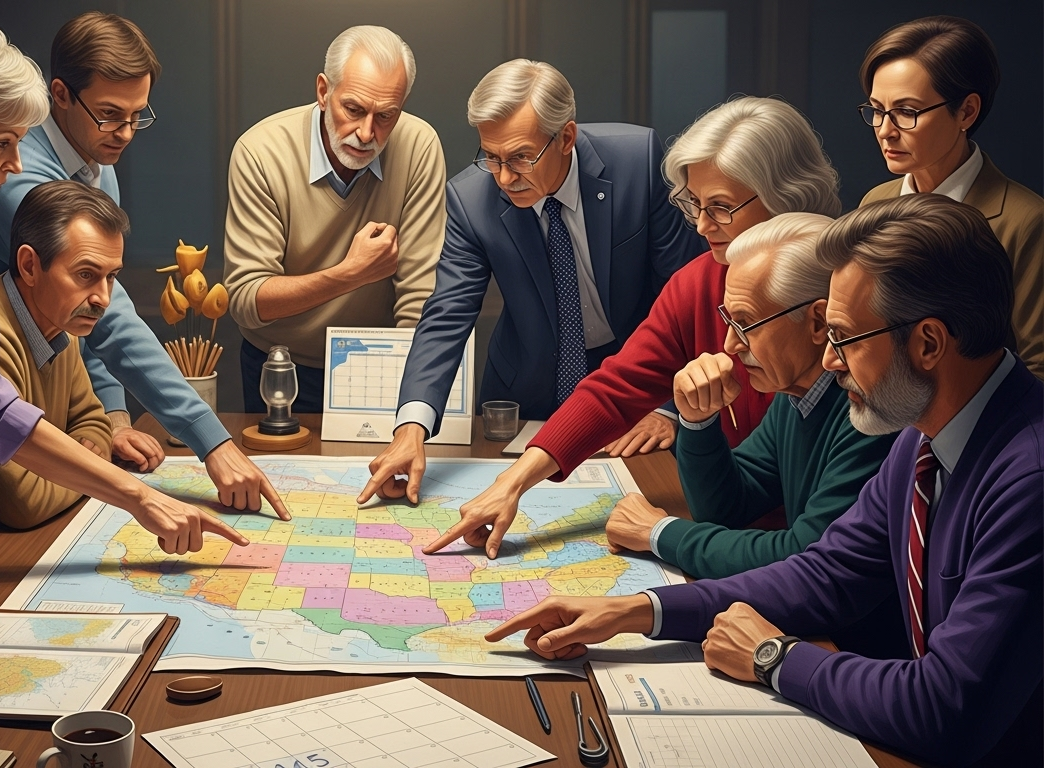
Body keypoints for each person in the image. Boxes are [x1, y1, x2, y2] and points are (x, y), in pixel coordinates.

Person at [486, 195, 1042, 767]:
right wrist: (639, 610)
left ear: (927, 343)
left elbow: (943, 708)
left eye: (846, 338)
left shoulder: (1029, 479)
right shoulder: (921, 435)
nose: (828, 361)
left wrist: (775, 657)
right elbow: (825, 572)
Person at [0, 20, 250, 556]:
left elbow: (88, 320)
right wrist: (140, 496)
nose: (15, 164)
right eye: (2, 143)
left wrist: (111, 417)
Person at [427, 96, 841, 558]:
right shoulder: (700, 280)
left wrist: (666, 534)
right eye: (695, 205)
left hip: (782, 558)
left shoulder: (855, 319)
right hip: (733, 536)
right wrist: (514, 480)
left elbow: (820, 553)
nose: (702, 226)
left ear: (785, 194)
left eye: (721, 207)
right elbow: (616, 387)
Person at [0, 13, 287, 516]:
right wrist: (212, 442)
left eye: (138, 115)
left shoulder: (97, 164)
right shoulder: (20, 177)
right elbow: (108, 319)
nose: (126, 133)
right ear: (61, 94)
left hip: (58, 387)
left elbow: (90, 306)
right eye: (111, 114)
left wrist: (113, 414)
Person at [361, 59, 703, 504]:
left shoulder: (638, 161)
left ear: (565, 137)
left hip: (631, 388)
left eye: (521, 157)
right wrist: (411, 428)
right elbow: (447, 315)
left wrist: (666, 406)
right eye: (491, 157)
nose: (503, 178)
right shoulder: (470, 199)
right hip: (524, 395)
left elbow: (686, 293)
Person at [603, 213, 896, 582]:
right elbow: (727, 507)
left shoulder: (870, 412)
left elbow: (803, 556)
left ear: (818, 323)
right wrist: (698, 421)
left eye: (746, 323)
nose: (730, 344)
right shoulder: (798, 393)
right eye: (729, 321)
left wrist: (660, 533)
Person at [222, 25, 446, 412]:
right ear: (324, 92)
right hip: (280, 366)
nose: (366, 133)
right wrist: (351, 274)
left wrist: (412, 399)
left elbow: (419, 299)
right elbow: (245, 300)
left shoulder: (419, 145)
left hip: (382, 366)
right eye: (354, 109)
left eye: (386, 116)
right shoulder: (260, 152)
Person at [857, 16, 1043, 379]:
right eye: (877, 110)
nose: (885, 131)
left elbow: (1039, 367)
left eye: (907, 112)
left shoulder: (1026, 223)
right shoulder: (874, 205)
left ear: (966, 111)